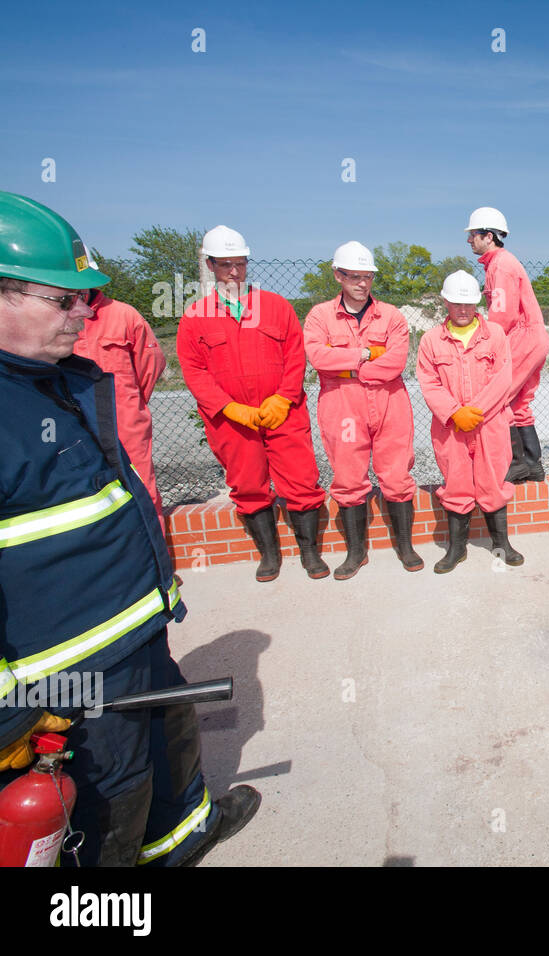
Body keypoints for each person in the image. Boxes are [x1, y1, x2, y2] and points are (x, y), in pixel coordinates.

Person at [0, 191, 259, 866]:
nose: (84, 313)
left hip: (136, 630)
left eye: (86, 299)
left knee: (168, 744)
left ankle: (185, 836)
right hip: (68, 673)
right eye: (63, 300)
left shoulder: (62, 382)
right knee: (110, 790)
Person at [176, 225, 329, 581]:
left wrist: (283, 397)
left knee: (302, 481)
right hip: (231, 420)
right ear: (211, 265)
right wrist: (228, 407)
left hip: (282, 414)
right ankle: (270, 556)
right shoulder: (195, 316)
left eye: (240, 264)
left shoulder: (275, 307)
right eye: (226, 264)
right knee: (248, 485)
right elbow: (194, 370)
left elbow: (295, 355)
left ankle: (310, 553)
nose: (234, 271)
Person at [304, 241, 423, 577]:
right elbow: (318, 358)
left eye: (367, 276)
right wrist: (364, 354)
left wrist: (345, 365)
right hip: (341, 404)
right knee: (347, 477)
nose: (361, 283)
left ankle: (405, 546)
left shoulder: (392, 316)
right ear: (338, 275)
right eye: (353, 276)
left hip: (389, 401)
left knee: (397, 475)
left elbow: (395, 363)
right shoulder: (320, 316)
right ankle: (356, 552)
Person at [416, 270, 524, 572]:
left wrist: (473, 412)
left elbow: (503, 378)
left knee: (493, 482)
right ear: (446, 302)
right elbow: (428, 381)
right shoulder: (431, 341)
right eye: (456, 304)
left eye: (469, 304)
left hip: (489, 424)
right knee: (456, 484)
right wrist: (454, 413)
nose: (463, 310)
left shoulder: (495, 335)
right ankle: (457, 549)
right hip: (450, 428)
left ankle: (502, 544)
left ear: (477, 303)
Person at [465, 207, 549, 482]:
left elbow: (503, 315)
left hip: (521, 338)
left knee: (499, 397)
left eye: (473, 235)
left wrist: (486, 348)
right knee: (519, 402)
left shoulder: (500, 265)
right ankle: (532, 464)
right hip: (534, 337)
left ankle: (514, 463)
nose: (469, 241)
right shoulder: (503, 262)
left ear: (488, 236)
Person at [73, 282, 167, 525]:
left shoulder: (123, 315)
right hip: (73, 423)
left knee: (140, 485)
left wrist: (130, 401)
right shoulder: (52, 317)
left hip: (124, 422)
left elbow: (151, 364)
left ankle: (153, 558)